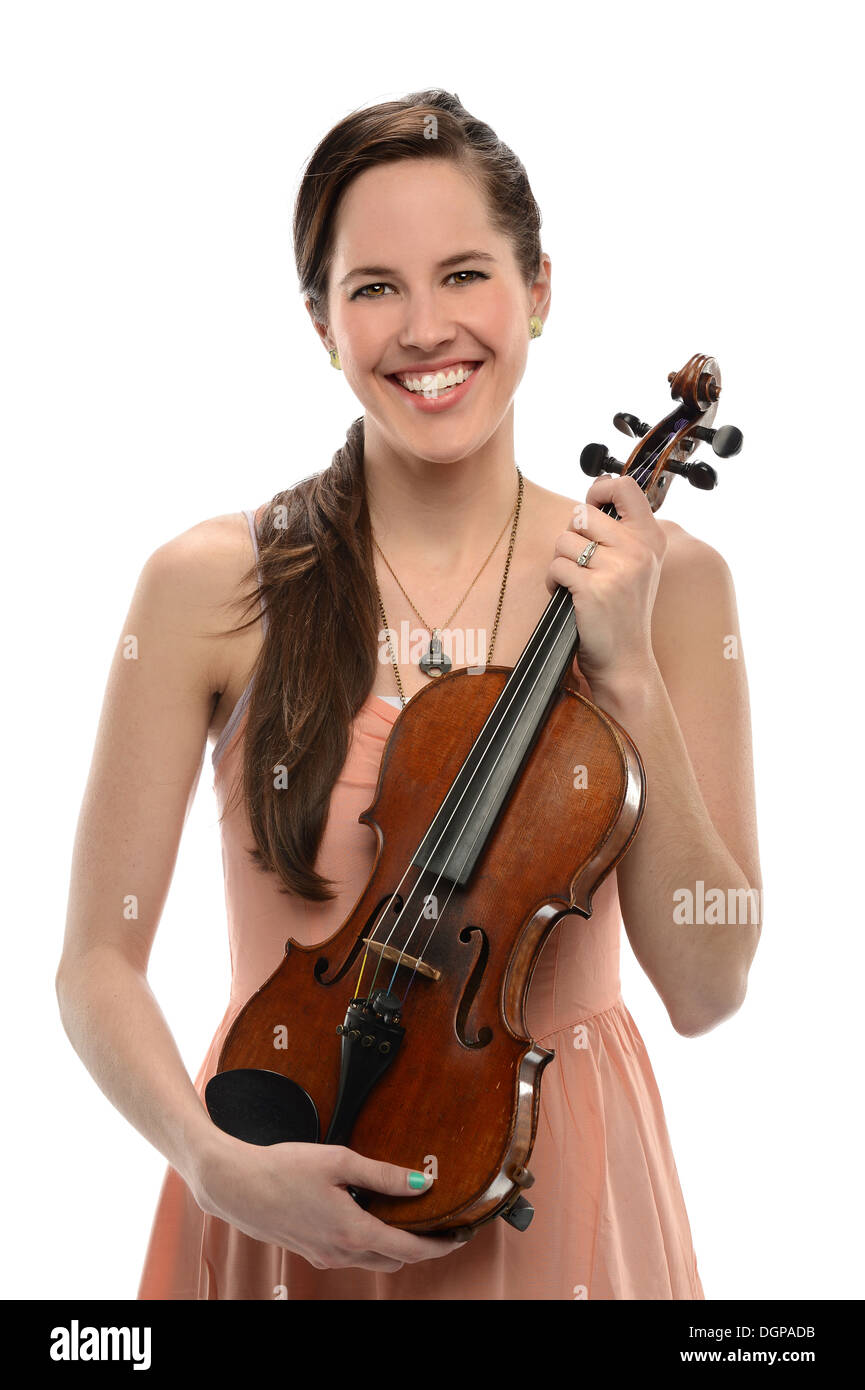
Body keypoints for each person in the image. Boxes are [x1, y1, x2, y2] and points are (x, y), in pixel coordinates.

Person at [57, 89, 761, 1300]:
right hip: (280, 1146)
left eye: (466, 274)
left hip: (558, 1183)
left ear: (537, 288)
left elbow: (708, 989)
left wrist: (628, 671)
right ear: (322, 324)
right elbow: (94, 964)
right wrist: (213, 1163)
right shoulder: (207, 583)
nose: (426, 329)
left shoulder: (668, 582)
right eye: (375, 286)